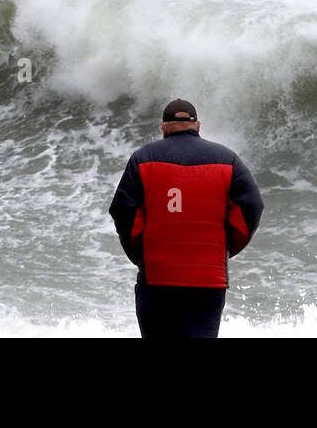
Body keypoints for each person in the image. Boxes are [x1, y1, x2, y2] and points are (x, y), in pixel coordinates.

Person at [108, 99, 265, 338]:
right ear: (198, 126)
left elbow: (123, 211)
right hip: (208, 280)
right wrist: (224, 248)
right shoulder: (228, 159)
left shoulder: (142, 159)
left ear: (163, 127)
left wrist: (142, 254)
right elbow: (252, 207)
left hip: (157, 278)